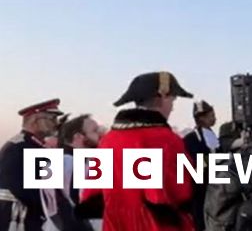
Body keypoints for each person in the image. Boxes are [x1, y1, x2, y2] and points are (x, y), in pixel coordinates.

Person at [78, 72, 195, 230]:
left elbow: (93, 192)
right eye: (172, 100)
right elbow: (181, 192)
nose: (173, 108)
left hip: (116, 223)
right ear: (162, 98)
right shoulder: (167, 140)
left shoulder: (108, 140)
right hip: (158, 225)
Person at [0, 99, 65, 231]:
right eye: (52, 119)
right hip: (19, 220)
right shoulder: (18, 147)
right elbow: (24, 192)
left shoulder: (41, 148)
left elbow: (53, 190)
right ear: (36, 120)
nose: (56, 124)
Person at [182, 100, 218, 231]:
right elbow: (194, 165)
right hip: (200, 192)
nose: (214, 118)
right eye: (211, 115)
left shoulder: (213, 136)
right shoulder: (190, 139)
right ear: (201, 118)